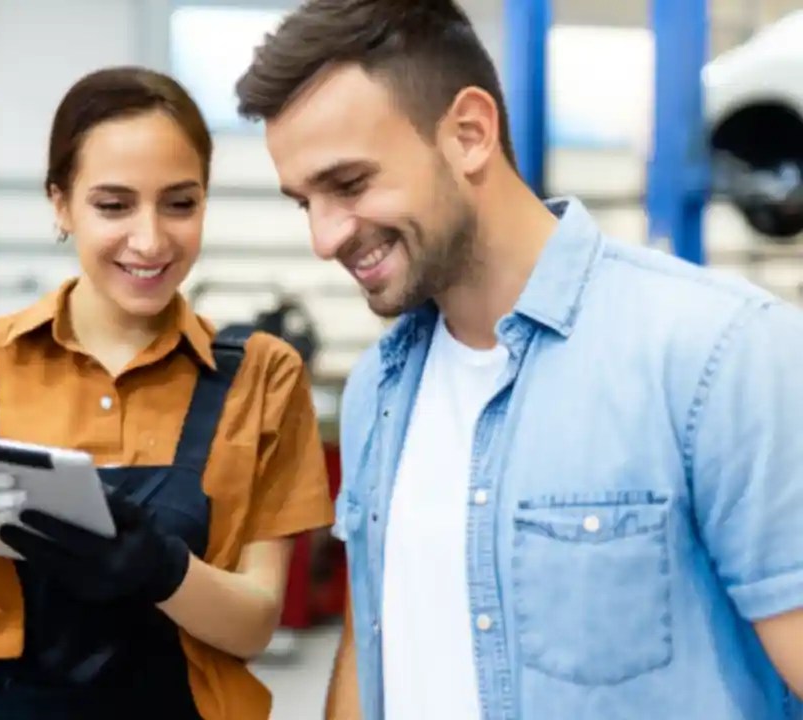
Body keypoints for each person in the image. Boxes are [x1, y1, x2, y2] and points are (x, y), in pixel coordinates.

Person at [233, 1, 803, 718]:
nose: (324, 237)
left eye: (348, 185)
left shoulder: (721, 357)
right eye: (302, 202)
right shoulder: (379, 385)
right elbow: (372, 643)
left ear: (469, 134)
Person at [0, 65, 335, 720]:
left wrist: (162, 568)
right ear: (60, 204)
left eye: (180, 203)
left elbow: (254, 624)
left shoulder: (261, 376)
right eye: (113, 205)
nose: (150, 239)